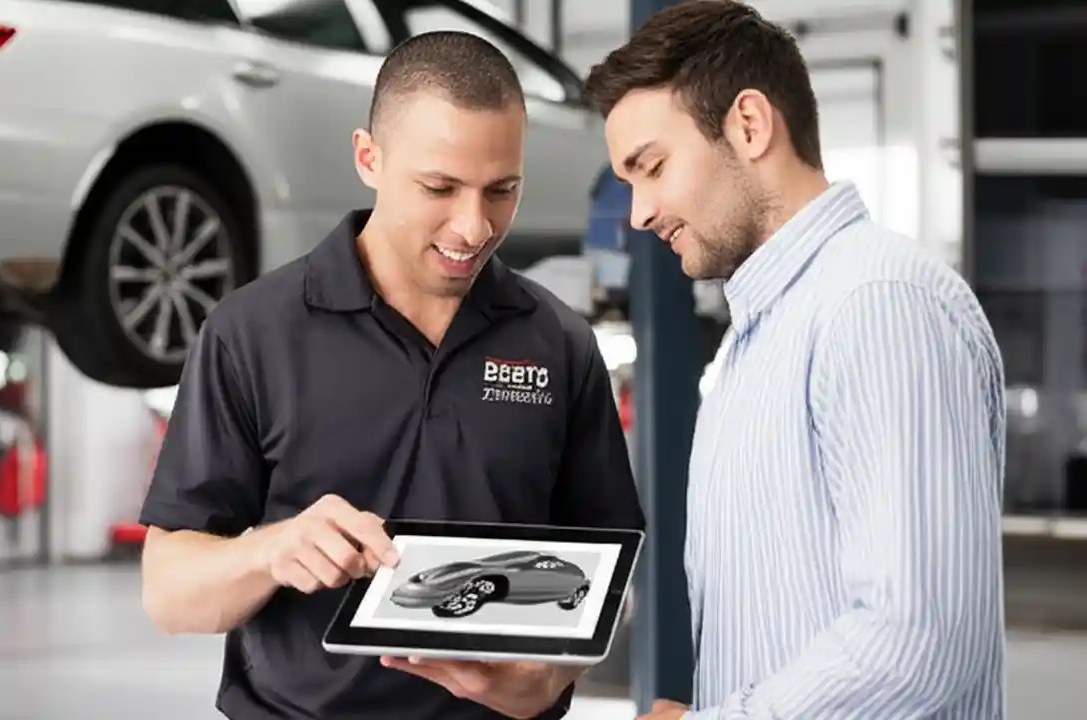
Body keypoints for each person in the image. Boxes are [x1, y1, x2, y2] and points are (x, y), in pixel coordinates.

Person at [138, 30, 645, 720]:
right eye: (439, 187)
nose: (472, 226)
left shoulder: (559, 344)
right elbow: (169, 594)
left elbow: (604, 581)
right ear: (368, 158)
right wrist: (268, 550)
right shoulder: (251, 334)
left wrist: (545, 683)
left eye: (502, 190)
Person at [582, 2, 1007, 718]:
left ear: (749, 126)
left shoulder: (876, 306)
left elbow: (916, 642)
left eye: (651, 168)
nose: (639, 213)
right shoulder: (762, 338)